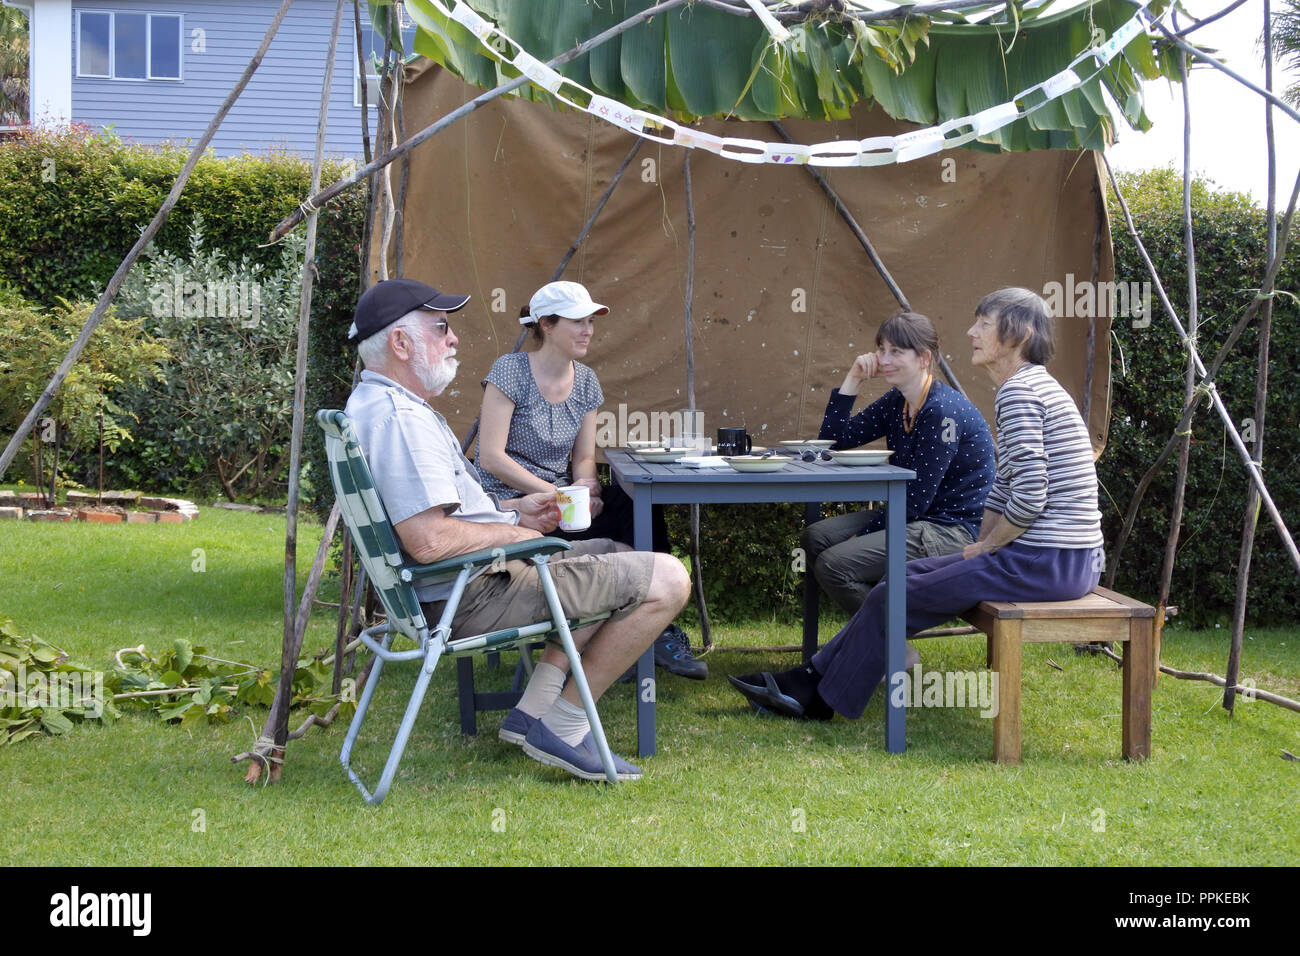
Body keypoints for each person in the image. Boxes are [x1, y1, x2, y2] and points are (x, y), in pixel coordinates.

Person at [343, 278, 691, 780]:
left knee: (613, 550)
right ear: (399, 343)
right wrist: (517, 535)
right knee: (669, 579)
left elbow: (446, 523)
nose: (454, 338)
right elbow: (431, 540)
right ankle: (566, 726)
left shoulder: (377, 406)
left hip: (470, 579)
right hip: (473, 590)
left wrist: (514, 514)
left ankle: (532, 712)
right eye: (441, 328)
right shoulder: (401, 420)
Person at [729, 288, 1105, 721]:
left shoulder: (1018, 393)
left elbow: (1030, 495)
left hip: (1049, 561)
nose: (971, 331)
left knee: (895, 593)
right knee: (897, 582)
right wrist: (982, 545)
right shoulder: (1025, 387)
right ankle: (810, 680)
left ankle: (817, 695)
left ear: (1017, 332)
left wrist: (984, 548)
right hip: (1058, 558)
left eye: (983, 323)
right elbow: (1004, 489)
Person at [474, 280, 706, 680]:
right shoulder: (509, 371)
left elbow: (583, 457)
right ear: (546, 324)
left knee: (634, 503)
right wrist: (558, 494)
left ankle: (651, 630)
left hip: (563, 502)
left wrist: (587, 486)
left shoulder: (586, 381)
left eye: (591, 322)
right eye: (578, 321)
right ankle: (612, 642)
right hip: (513, 505)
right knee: (612, 519)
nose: (588, 330)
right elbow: (492, 458)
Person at [802, 311, 995, 626]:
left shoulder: (942, 412)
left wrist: (858, 537)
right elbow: (833, 441)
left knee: (834, 565)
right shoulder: (899, 401)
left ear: (924, 358)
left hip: (952, 530)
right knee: (815, 537)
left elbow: (915, 501)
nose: (884, 359)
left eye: (896, 351)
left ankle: (891, 644)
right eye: (881, 350)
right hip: (918, 518)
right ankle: (876, 627)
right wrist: (853, 379)